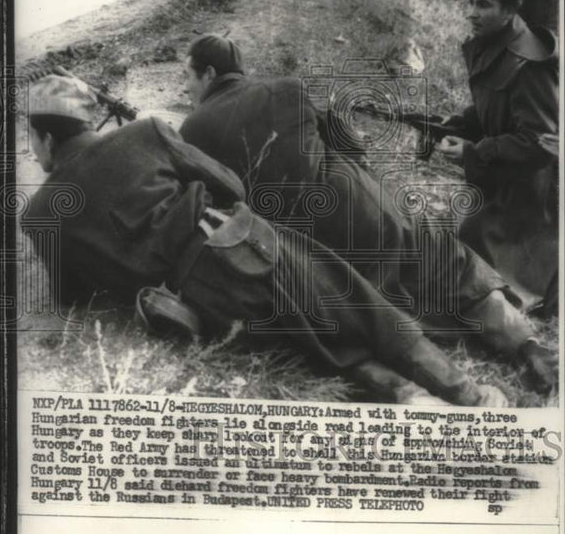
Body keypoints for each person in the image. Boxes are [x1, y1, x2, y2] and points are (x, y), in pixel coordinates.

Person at [24, 74, 511, 408]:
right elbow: (232, 184)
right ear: (86, 121)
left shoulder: (40, 214)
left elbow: (72, 296)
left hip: (194, 300)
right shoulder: (146, 132)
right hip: (245, 240)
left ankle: (411, 400)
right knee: (363, 312)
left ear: (45, 138)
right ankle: (468, 396)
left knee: (315, 349)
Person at [178, 34, 556, 395]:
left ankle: (414, 381)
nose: (185, 88)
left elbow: (219, 201)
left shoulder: (192, 129)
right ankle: (528, 346)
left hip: (305, 245)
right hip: (359, 204)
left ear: (209, 73)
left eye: (187, 77)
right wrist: (362, 182)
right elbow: (347, 140)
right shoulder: (287, 88)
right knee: (444, 259)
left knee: (355, 315)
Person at [438, 0, 559, 317]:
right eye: (470, 2)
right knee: (454, 255)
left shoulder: (529, 63)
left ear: (509, 10)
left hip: (532, 193)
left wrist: (475, 151)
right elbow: (496, 104)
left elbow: (540, 142)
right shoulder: (492, 45)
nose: (471, 13)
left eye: (483, 4)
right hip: (502, 178)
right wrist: (461, 123)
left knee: (474, 269)